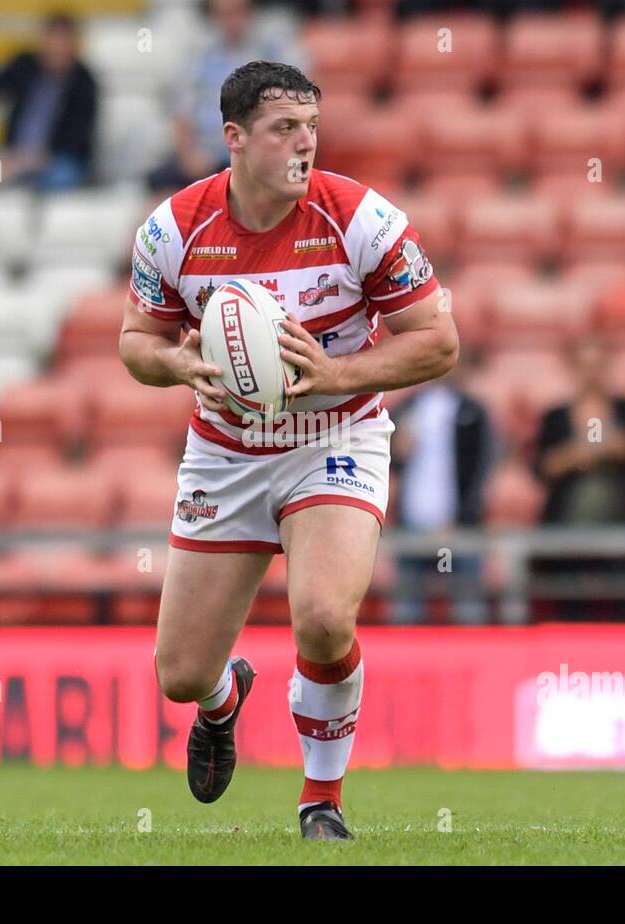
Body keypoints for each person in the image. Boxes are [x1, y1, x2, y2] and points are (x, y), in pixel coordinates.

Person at [118, 61, 457, 840]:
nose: (305, 145)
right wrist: (178, 364)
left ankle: (322, 802)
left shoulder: (362, 220)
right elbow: (137, 342)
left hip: (334, 437)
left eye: (312, 127)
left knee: (324, 619)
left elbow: (439, 343)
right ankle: (223, 700)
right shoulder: (174, 229)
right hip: (227, 453)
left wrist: (336, 374)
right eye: (284, 130)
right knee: (180, 676)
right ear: (233, 139)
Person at [530, 336, 625, 620]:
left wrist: (616, 449)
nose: (592, 374)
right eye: (585, 366)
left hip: (623, 525)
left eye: (598, 366)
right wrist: (578, 457)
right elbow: (543, 466)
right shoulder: (556, 416)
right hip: (568, 527)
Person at [146, 0, 306, 192]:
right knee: (158, 186)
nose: (231, 21)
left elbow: (296, 104)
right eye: (223, 14)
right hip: (204, 154)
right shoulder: (199, 55)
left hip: (252, 152)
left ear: (249, 13)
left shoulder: (272, 51)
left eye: (237, 13)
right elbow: (182, 111)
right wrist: (190, 155)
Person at [389, 347, 497, 626]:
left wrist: (463, 518)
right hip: (411, 523)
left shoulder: (472, 411)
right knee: (407, 609)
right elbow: (384, 460)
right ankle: (408, 668)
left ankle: (472, 665)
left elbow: (482, 468)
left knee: (468, 608)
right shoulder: (406, 408)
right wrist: (396, 452)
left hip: (459, 526)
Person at [0, 13, 99, 192]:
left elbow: (77, 142)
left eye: (63, 41)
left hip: (55, 163)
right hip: (12, 159)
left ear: (75, 43)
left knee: (56, 181)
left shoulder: (85, 83)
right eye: (53, 40)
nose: (58, 48)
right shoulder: (24, 67)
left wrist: (25, 161)